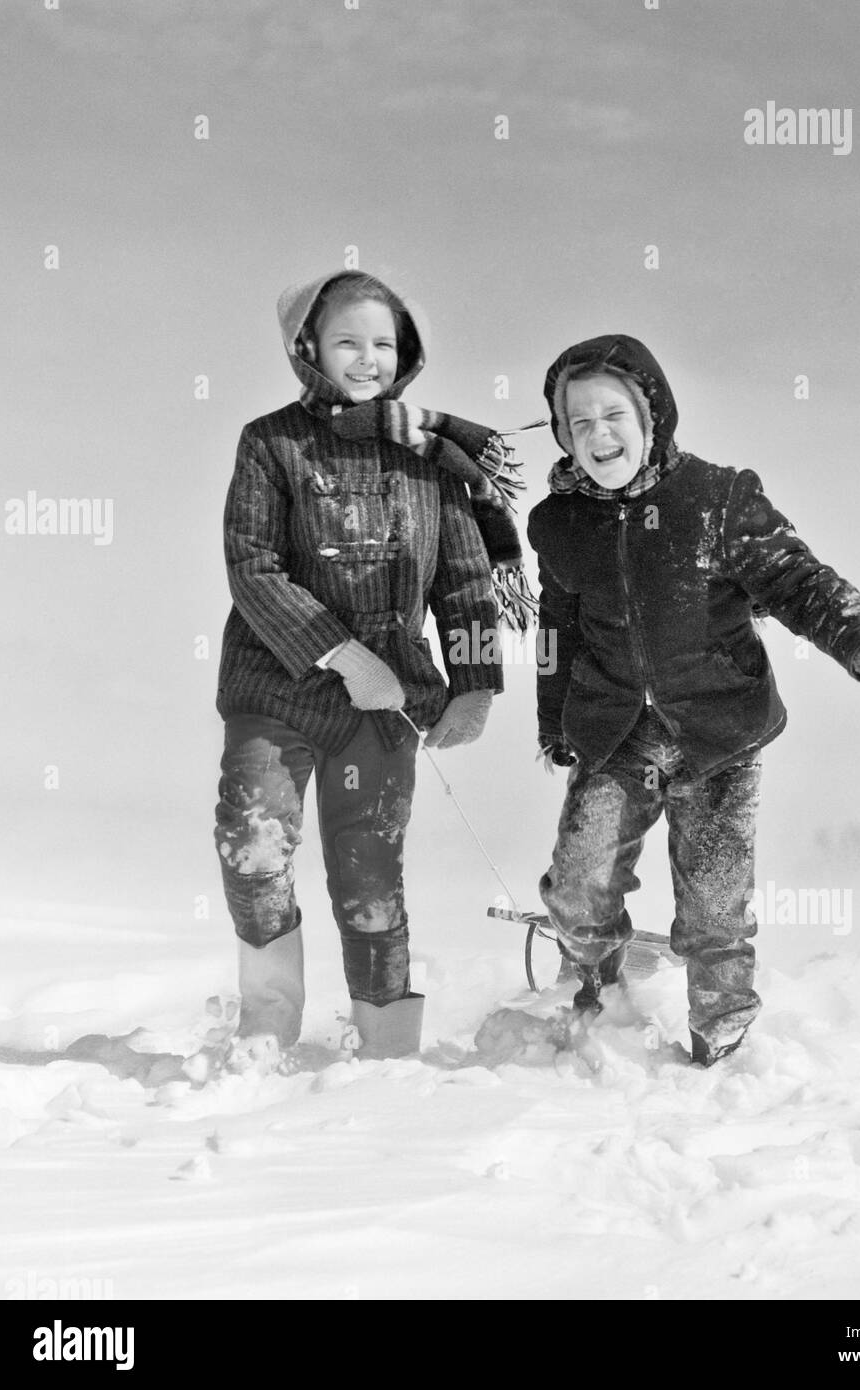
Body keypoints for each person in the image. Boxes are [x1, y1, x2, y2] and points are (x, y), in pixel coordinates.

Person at [527, 334, 860, 1066]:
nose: (598, 435)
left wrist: (859, 633)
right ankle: (598, 988)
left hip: (717, 733)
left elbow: (796, 578)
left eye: (613, 415)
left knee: (713, 909)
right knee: (577, 888)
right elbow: (559, 632)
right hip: (616, 734)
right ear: (563, 437)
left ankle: (722, 1038)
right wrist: (554, 724)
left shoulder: (717, 498)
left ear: (653, 415)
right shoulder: (559, 525)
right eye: (579, 424)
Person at [214, 269, 531, 1067]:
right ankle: (268, 1019)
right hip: (275, 688)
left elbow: (462, 581)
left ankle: (387, 1044)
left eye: (383, 343)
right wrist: (343, 653)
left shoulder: (430, 458)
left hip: (385, 704)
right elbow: (252, 567)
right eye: (347, 341)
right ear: (309, 348)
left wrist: (478, 687)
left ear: (406, 354)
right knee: (252, 847)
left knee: (368, 880)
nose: (367, 359)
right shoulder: (270, 442)